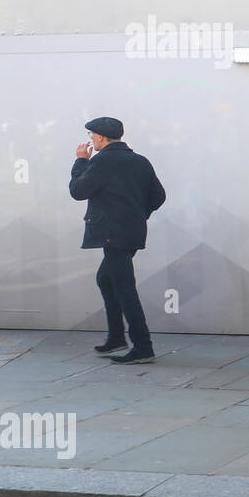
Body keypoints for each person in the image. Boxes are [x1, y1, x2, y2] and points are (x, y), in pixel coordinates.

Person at [69, 117, 166, 364]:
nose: (90, 140)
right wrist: (137, 216)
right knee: (106, 279)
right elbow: (158, 196)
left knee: (124, 288)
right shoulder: (140, 161)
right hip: (130, 233)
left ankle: (143, 346)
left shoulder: (102, 161)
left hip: (113, 234)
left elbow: (78, 191)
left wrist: (81, 160)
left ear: (101, 137)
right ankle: (116, 338)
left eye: (91, 136)